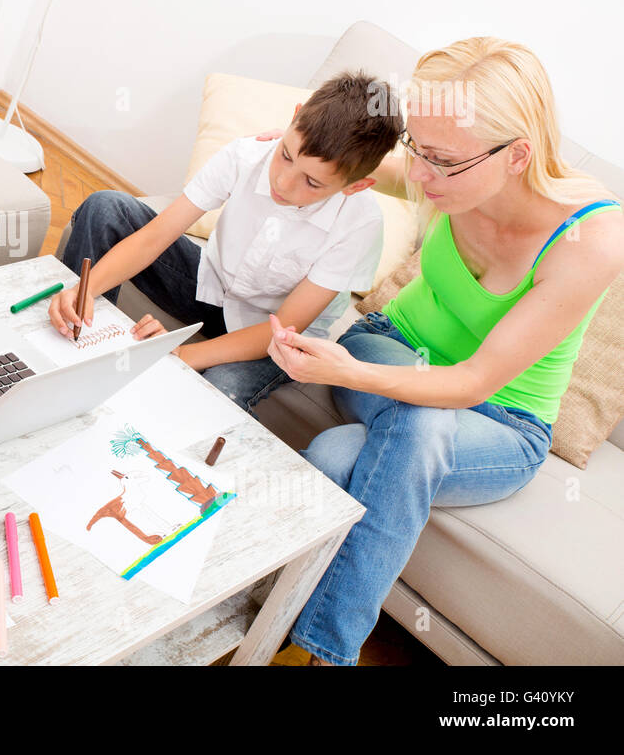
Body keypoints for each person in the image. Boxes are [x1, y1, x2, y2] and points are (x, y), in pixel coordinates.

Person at [267, 38, 624, 665]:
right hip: (386, 348)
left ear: (518, 155)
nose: (421, 176)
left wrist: (346, 371)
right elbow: (344, 159)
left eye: (442, 161)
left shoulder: (590, 239)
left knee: (339, 451)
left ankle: (270, 619)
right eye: (417, 150)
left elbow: (471, 384)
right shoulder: (444, 171)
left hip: (501, 424)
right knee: (417, 419)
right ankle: (319, 654)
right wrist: (281, 147)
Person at [52, 71, 401, 414]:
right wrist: (86, 288)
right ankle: (73, 339)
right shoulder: (245, 156)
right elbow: (156, 237)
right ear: (293, 118)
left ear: (356, 186)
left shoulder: (360, 224)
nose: (282, 181)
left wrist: (177, 353)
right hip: (213, 288)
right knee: (105, 207)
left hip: (278, 337)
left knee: (221, 388)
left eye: (311, 182)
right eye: (286, 155)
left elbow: (279, 330)